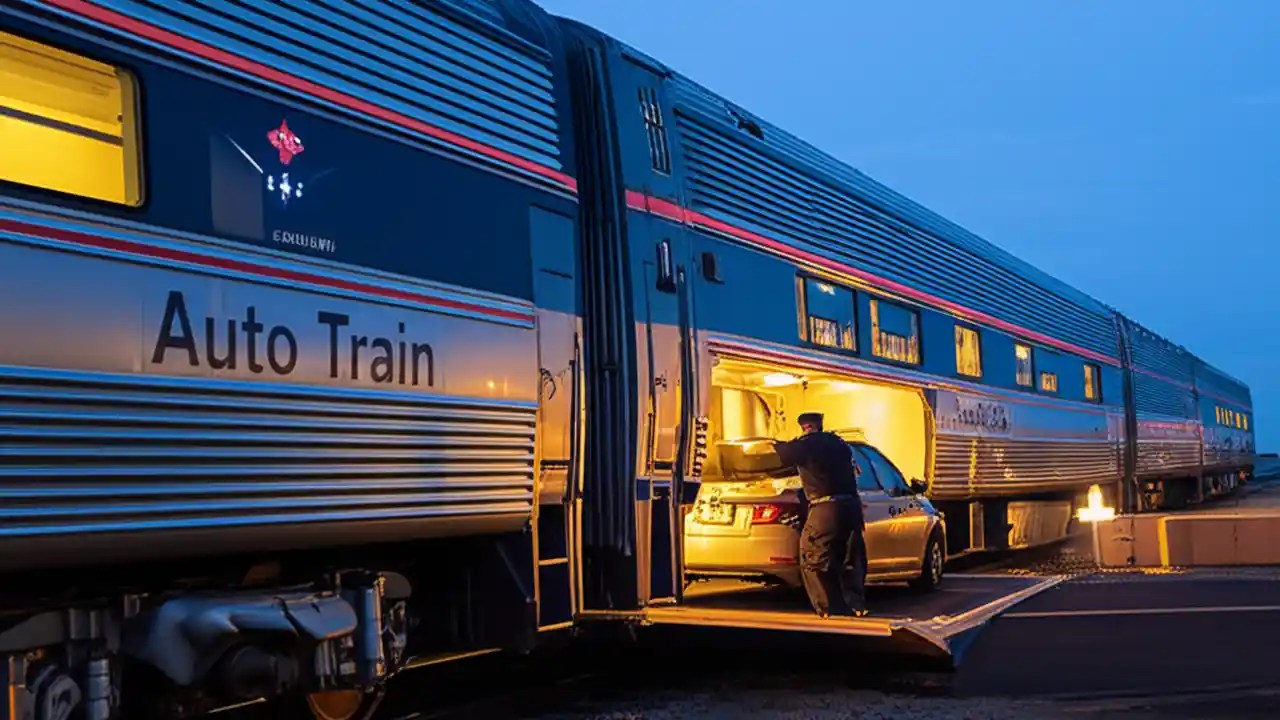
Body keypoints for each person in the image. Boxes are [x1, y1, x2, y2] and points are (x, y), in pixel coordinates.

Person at [772, 412, 868, 618]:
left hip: (826, 508)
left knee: (813, 556)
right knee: (848, 557)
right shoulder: (840, 443)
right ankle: (854, 604)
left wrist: (772, 442)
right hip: (852, 507)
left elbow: (777, 456)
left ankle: (829, 610)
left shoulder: (806, 444)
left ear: (805, 427)